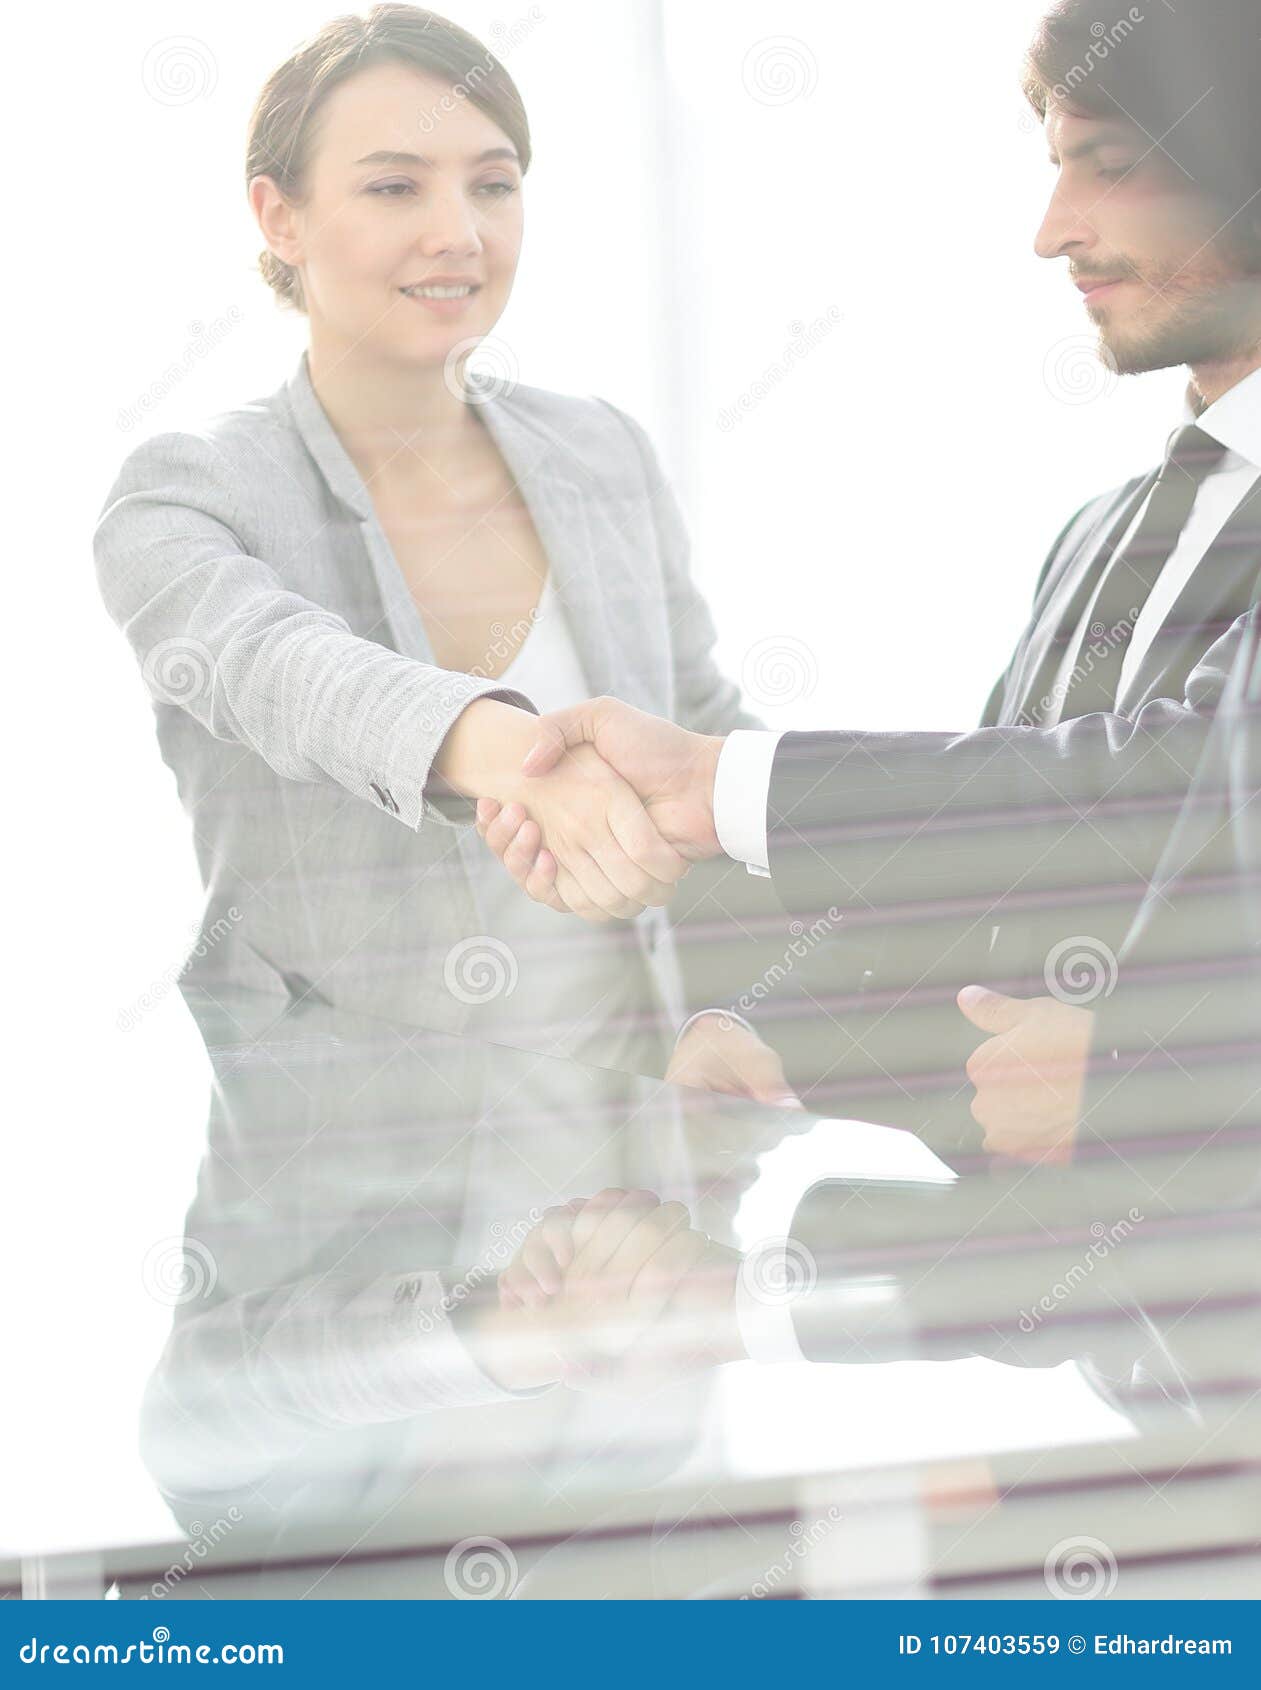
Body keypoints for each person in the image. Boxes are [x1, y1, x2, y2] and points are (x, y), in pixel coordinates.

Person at [480, 0, 1261, 1152]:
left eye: (1109, 164)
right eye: (1054, 169)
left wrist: (1133, 1079)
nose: (1051, 232)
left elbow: (1164, 783)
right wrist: (777, 1039)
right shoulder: (1100, 534)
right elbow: (1006, 870)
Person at [93, 4, 762, 1076]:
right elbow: (282, 669)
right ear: (279, 217)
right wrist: (516, 759)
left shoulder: (601, 453)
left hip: (636, 1140)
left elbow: (706, 735)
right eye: (395, 187)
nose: (459, 232)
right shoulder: (188, 490)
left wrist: (751, 1009)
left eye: (492, 184)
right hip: (342, 1156)